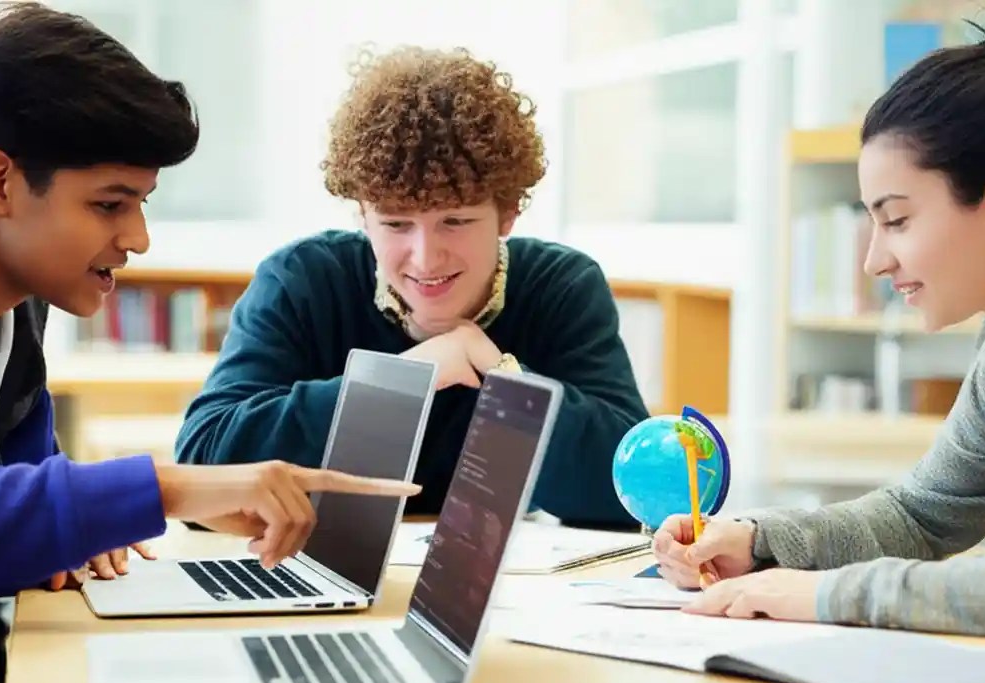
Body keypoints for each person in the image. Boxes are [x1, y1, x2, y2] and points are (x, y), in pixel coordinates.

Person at [0, 4, 418, 683]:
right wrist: (160, 492)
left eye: (141, 203)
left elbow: (4, 509)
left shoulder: (13, 308)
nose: (138, 239)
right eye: (109, 204)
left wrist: (74, 524)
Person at [653, 8, 985, 644]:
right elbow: (920, 516)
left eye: (896, 221)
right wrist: (758, 543)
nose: (873, 260)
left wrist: (825, 594)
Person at [175, 46, 649, 527]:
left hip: (489, 587)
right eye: (397, 224)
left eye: (455, 221)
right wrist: (398, 383)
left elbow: (633, 492)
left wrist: (505, 379)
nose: (425, 257)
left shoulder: (560, 287)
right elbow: (200, 468)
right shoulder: (303, 281)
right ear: (363, 216)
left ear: (508, 213)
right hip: (320, 573)